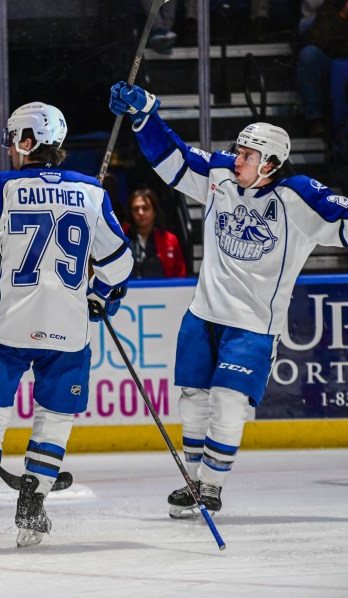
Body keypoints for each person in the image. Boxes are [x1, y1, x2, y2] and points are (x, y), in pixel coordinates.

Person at [109, 80, 348, 518]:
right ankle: (194, 482)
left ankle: (212, 487)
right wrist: (144, 116)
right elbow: (173, 158)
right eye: (238, 151)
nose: (236, 159)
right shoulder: (220, 175)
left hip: (254, 325)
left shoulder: (299, 197)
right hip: (204, 313)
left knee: (228, 400)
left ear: (272, 163)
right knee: (193, 398)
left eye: (247, 155)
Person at [0, 102, 133, 552]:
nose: (10, 150)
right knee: (54, 419)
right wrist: (104, 295)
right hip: (69, 332)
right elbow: (121, 262)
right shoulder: (92, 191)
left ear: (27, 141)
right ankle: (32, 508)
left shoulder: (1, 186)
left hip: (8, 328)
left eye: (14, 140)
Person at [296, 0, 348, 138]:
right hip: (333, 60)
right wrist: (343, 16)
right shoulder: (331, 6)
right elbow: (320, 39)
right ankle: (315, 119)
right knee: (309, 54)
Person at [125, 188, 187, 278]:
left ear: (154, 211)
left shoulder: (169, 240)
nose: (140, 212)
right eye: (136, 209)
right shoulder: (122, 240)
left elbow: (180, 274)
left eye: (145, 208)